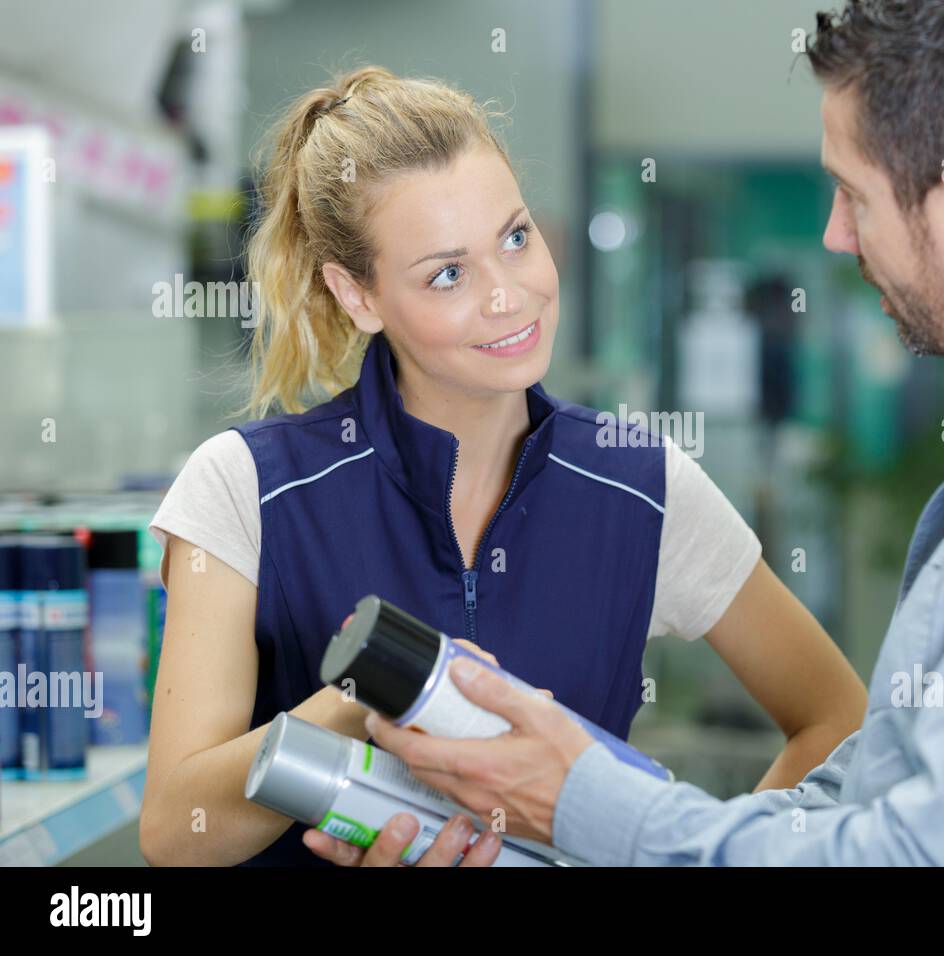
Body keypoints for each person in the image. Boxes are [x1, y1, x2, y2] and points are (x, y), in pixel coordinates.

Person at [322, 0, 944, 867]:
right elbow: (878, 795)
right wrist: (577, 804)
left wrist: (583, 801)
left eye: (852, 193)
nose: (834, 233)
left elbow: (932, 860)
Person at [138, 66, 867, 866]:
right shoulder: (246, 488)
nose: (507, 297)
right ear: (358, 296)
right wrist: (365, 695)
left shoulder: (641, 484)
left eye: (515, 238)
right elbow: (177, 831)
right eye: (448, 273)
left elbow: (839, 723)